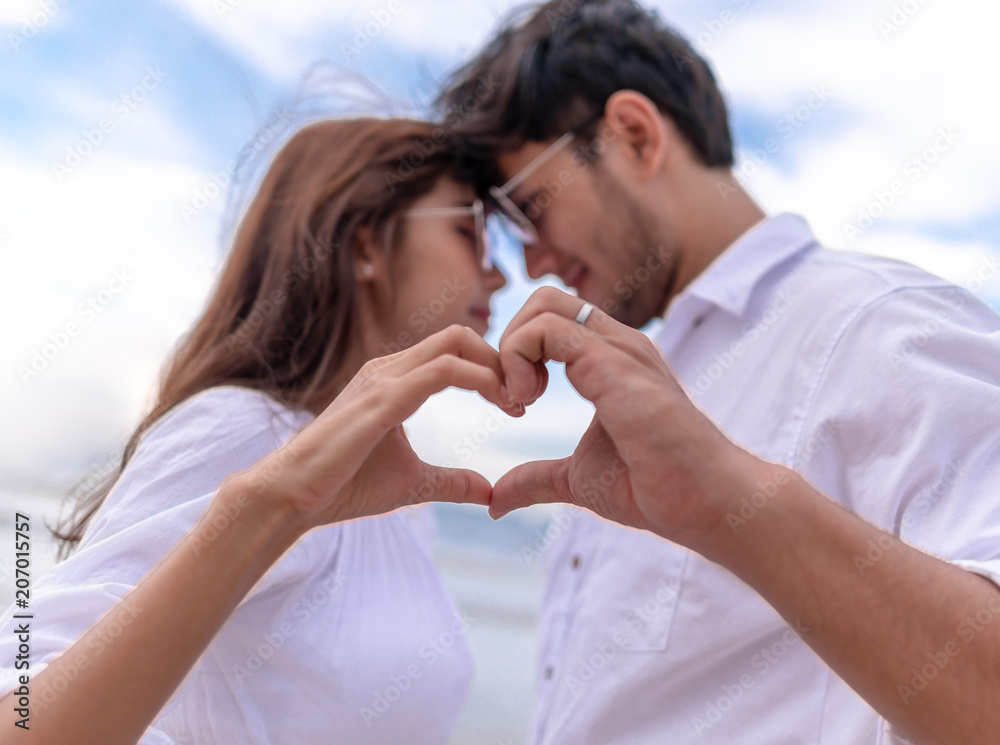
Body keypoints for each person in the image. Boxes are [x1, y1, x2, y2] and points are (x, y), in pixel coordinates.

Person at [437, 1, 1000, 743]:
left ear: (634, 134)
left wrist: (729, 498)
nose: (532, 260)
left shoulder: (879, 323)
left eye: (532, 207)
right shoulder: (659, 377)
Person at [0, 117, 519, 745]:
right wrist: (269, 508)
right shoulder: (250, 430)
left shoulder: (395, 497)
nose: (500, 275)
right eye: (469, 233)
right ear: (363, 247)